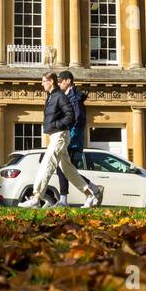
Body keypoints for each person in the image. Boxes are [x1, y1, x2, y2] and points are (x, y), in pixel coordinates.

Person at [19, 71, 103, 208]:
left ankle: (36, 197)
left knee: (47, 163)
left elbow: (71, 116)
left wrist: (57, 125)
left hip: (60, 136)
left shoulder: (60, 96)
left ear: (51, 81)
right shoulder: (51, 97)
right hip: (55, 136)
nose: (42, 84)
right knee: (68, 170)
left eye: (44, 81)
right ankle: (90, 195)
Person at [53, 70, 88, 207]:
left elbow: (79, 120)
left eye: (60, 81)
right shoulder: (67, 97)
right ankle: (93, 189)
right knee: (65, 169)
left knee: (64, 169)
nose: (59, 84)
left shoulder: (75, 98)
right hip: (67, 137)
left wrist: (70, 137)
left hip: (71, 140)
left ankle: (64, 200)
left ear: (68, 81)